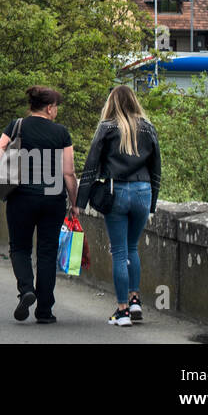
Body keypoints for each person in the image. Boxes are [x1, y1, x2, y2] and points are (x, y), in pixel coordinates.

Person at [0, 85, 77, 324]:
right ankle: (45, 311)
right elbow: (68, 173)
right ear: (49, 108)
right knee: (47, 253)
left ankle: (27, 290)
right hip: (53, 199)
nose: (56, 111)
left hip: (21, 198)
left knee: (19, 248)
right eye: (56, 107)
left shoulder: (17, 126)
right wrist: (75, 203)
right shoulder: (61, 133)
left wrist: (1, 158)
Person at [76, 85, 162, 327]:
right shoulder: (148, 127)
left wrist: (79, 203)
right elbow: (156, 168)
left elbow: (91, 166)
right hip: (143, 191)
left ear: (111, 103)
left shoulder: (107, 128)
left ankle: (122, 310)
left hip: (117, 192)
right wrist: (153, 201)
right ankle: (135, 300)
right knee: (133, 248)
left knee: (120, 251)